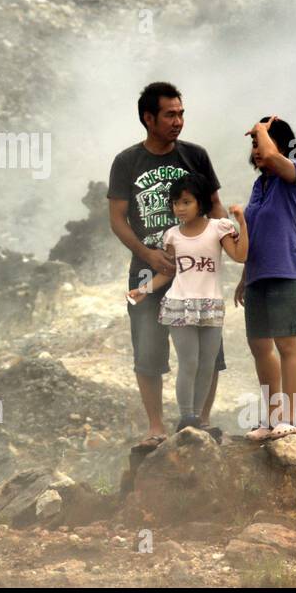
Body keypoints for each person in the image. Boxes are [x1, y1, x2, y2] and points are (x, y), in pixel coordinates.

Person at [109, 82, 227, 450]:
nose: (178, 121)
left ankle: (201, 422)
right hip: (148, 269)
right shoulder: (127, 162)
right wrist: (147, 254)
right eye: (170, 114)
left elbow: (216, 207)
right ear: (149, 118)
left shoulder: (196, 156)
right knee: (148, 348)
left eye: (181, 113)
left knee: (209, 349)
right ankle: (157, 427)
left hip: (197, 272)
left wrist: (224, 244)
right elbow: (117, 218)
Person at [127, 173, 247, 434]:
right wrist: (144, 289)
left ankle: (200, 421)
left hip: (211, 306)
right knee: (189, 362)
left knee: (208, 363)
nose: (178, 208)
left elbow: (240, 256)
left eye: (185, 202)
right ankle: (186, 418)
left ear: (200, 203)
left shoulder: (219, 228)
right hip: (179, 305)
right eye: (175, 203)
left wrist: (242, 222)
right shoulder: (172, 235)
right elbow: (168, 271)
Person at [233, 116, 296, 440]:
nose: (257, 149)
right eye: (253, 144)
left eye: (262, 142)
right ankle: (271, 418)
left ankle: (289, 419)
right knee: (260, 347)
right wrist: (244, 276)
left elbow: (277, 158)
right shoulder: (259, 185)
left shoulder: (294, 175)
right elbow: (255, 233)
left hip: (287, 273)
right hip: (258, 276)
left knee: (286, 344)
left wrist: (263, 131)